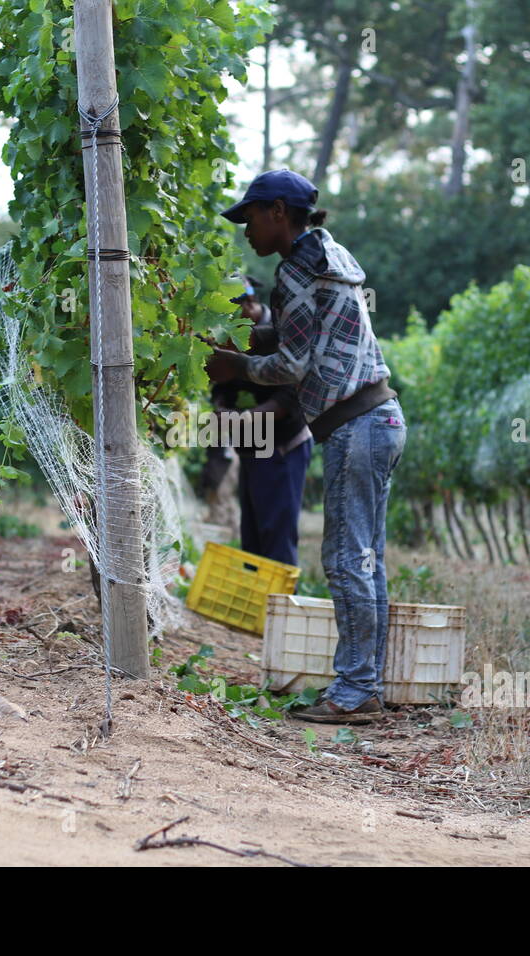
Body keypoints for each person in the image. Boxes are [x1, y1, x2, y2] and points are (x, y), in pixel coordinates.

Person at [206, 169, 406, 725]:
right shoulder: (328, 257)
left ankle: (353, 691)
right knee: (366, 558)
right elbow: (301, 336)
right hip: (380, 418)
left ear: (276, 212)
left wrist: (235, 364)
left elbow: (293, 365)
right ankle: (366, 682)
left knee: (345, 559)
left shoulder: (296, 271)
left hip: (355, 425)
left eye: (249, 218)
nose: (245, 230)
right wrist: (245, 341)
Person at [211, 279, 312, 567]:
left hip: (282, 447)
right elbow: (218, 382)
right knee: (252, 540)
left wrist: (241, 419)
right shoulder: (231, 334)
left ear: (248, 306)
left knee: (276, 537)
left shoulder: (281, 335)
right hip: (252, 447)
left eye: (229, 316)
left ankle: (279, 606)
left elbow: (287, 400)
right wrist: (220, 407)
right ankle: (258, 607)